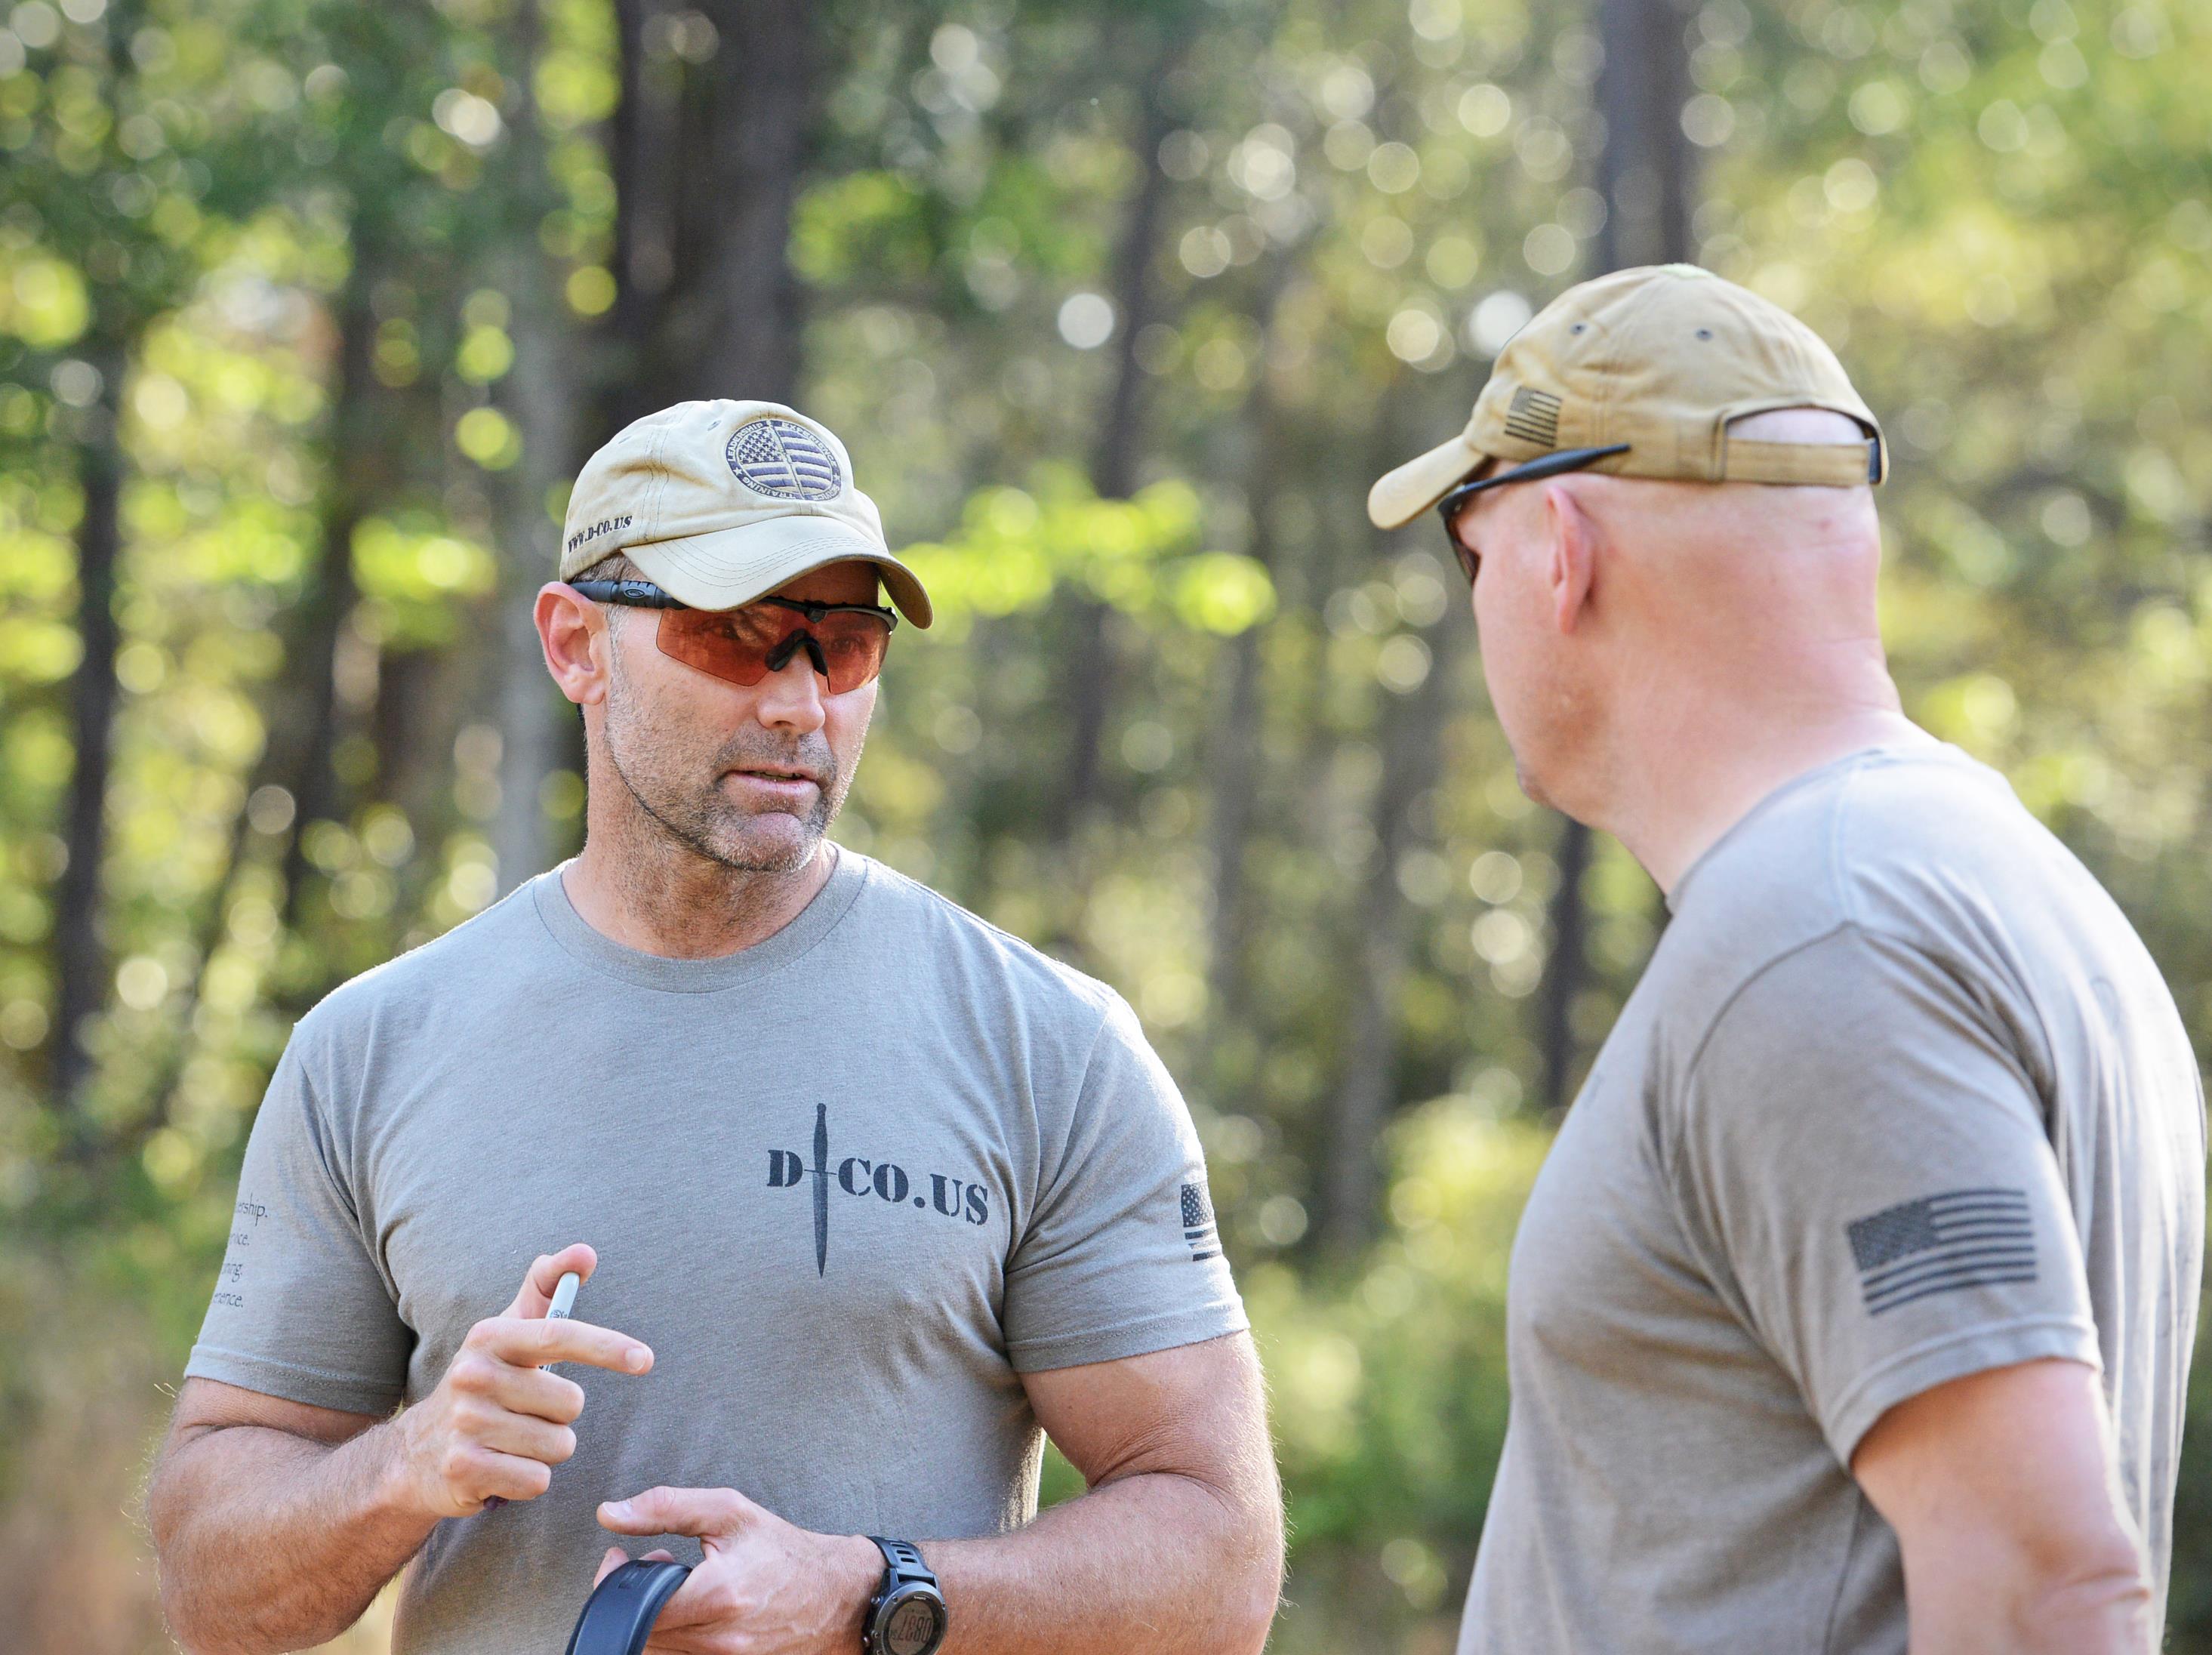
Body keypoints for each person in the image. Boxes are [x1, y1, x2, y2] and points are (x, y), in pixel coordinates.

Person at [147, 399, 1283, 1655]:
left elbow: (1220, 1567)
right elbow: (212, 1593)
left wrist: (873, 1591)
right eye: (737, 636)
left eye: (841, 648)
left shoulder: (1047, 1045)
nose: (800, 705)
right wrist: (406, 1463)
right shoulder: (371, 1048)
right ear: (576, 645)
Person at [1367, 265, 2204, 1655]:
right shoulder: (1991, 884)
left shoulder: (1822, 938)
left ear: (1558, 549)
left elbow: (2045, 1579)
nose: (1476, 603)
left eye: (1471, 548)